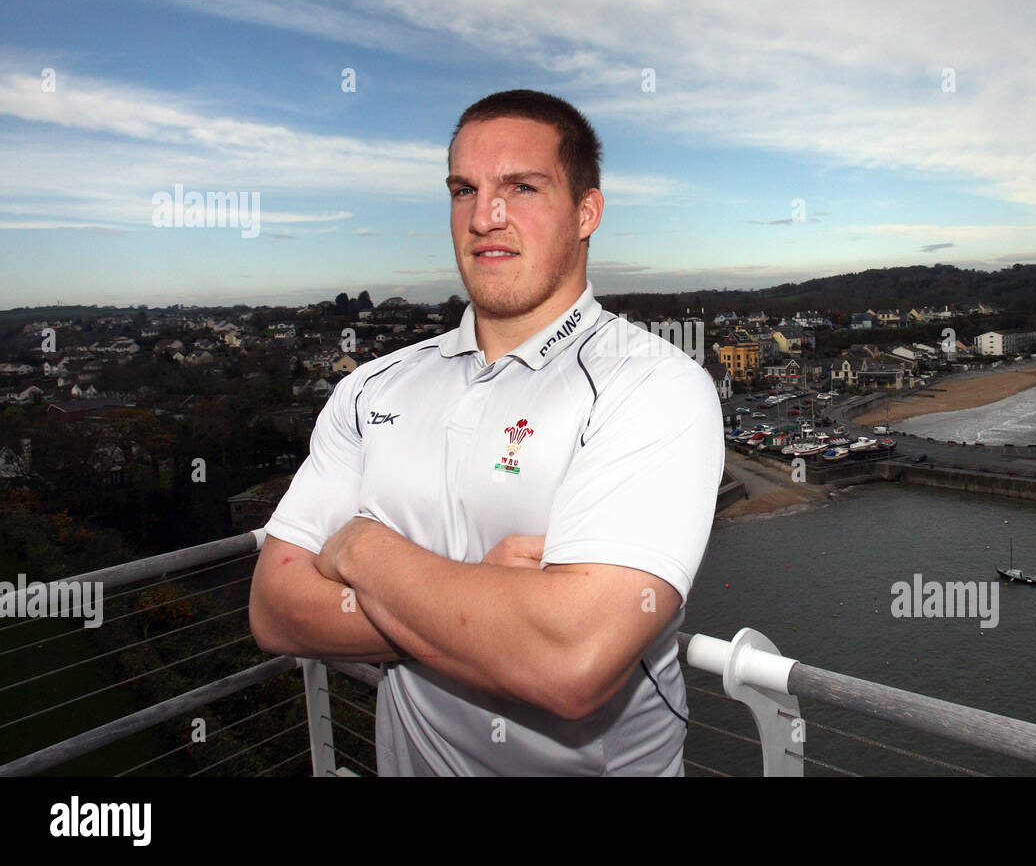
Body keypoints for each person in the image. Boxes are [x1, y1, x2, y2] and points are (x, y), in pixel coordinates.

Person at [249, 89, 724, 775]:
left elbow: (570, 662)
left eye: (521, 188)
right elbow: (276, 609)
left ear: (586, 212)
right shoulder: (370, 387)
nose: (485, 218)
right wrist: (482, 610)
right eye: (463, 190)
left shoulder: (654, 386)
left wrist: (362, 548)